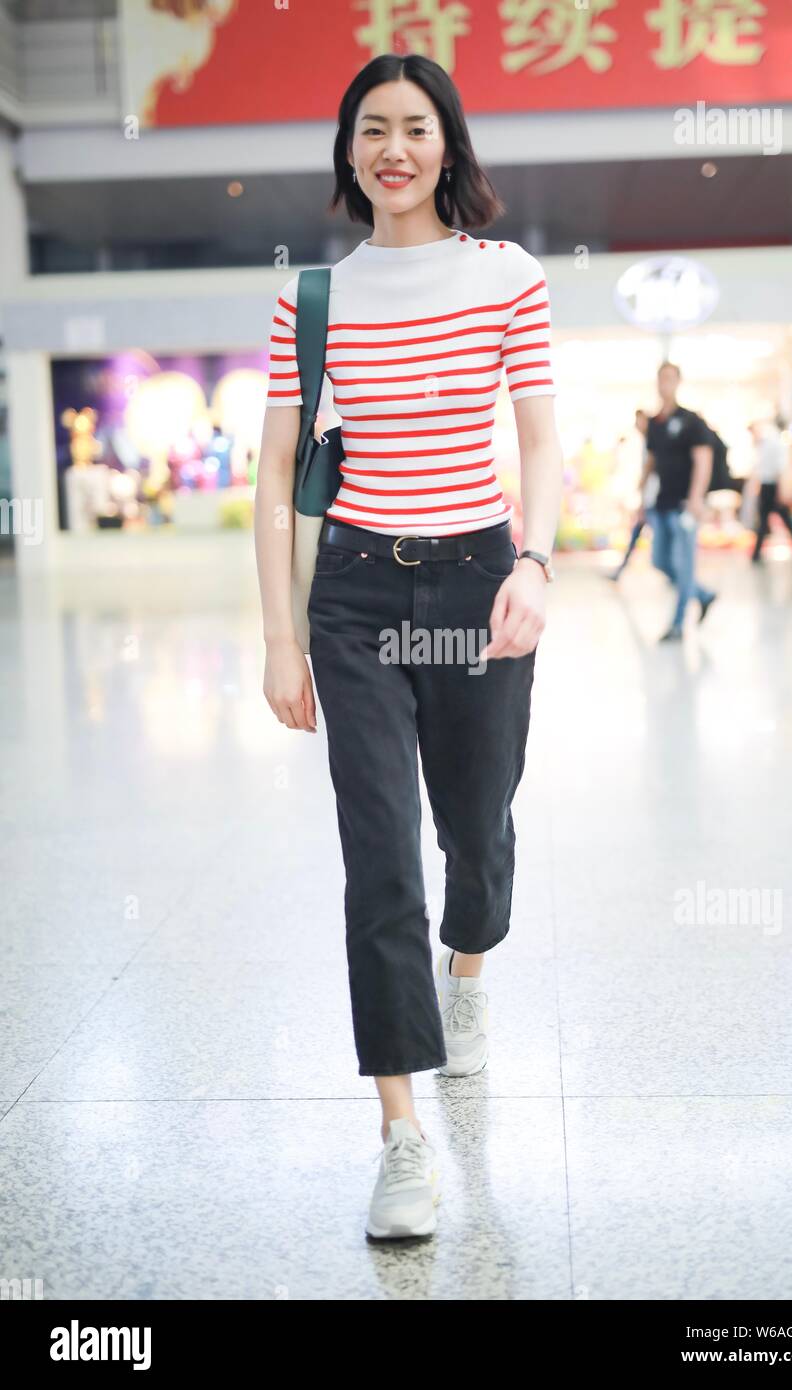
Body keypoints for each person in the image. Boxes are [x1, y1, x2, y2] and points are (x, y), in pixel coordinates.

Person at [254, 53, 562, 1242]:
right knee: (378, 855)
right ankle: (399, 1137)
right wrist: (281, 637)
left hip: (479, 576)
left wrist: (535, 562)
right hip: (355, 597)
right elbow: (277, 470)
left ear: (447, 145)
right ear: (347, 149)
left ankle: (467, 965)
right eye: (370, 129)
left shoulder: (505, 275)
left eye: (414, 128)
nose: (392, 148)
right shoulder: (313, 298)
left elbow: (539, 439)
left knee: (473, 832)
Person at [641, 362, 717, 642]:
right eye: (661, 378)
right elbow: (651, 460)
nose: (665, 384)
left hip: (685, 505)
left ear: (678, 382)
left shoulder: (691, 421)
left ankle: (677, 624)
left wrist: (696, 498)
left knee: (685, 565)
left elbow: (703, 459)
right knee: (660, 560)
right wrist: (641, 494)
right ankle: (703, 594)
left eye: (670, 378)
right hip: (662, 502)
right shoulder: (655, 423)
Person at [607, 408, 658, 581]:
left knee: (661, 555)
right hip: (649, 499)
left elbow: (650, 472)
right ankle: (620, 570)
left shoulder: (652, 442)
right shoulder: (644, 442)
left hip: (655, 499)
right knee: (636, 533)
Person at [749, 418, 792, 563]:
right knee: (775, 519)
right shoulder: (773, 443)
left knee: (769, 520)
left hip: (769, 485)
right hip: (772, 486)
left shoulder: (769, 443)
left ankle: (757, 553)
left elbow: (772, 468)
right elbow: (778, 468)